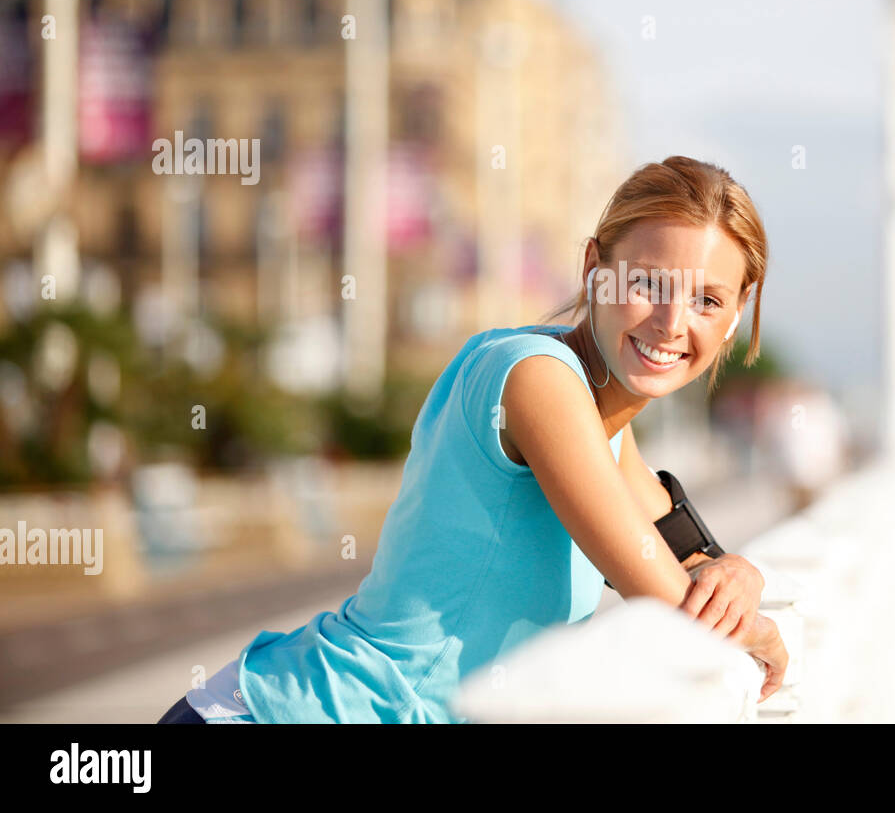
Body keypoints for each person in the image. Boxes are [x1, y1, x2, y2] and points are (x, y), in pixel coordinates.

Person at [157, 155, 787, 723]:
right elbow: (669, 601)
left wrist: (744, 578)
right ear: (595, 268)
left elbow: (688, 560)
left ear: (736, 315)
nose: (672, 323)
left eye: (706, 299)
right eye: (647, 283)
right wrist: (758, 633)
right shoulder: (537, 379)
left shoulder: (606, 434)